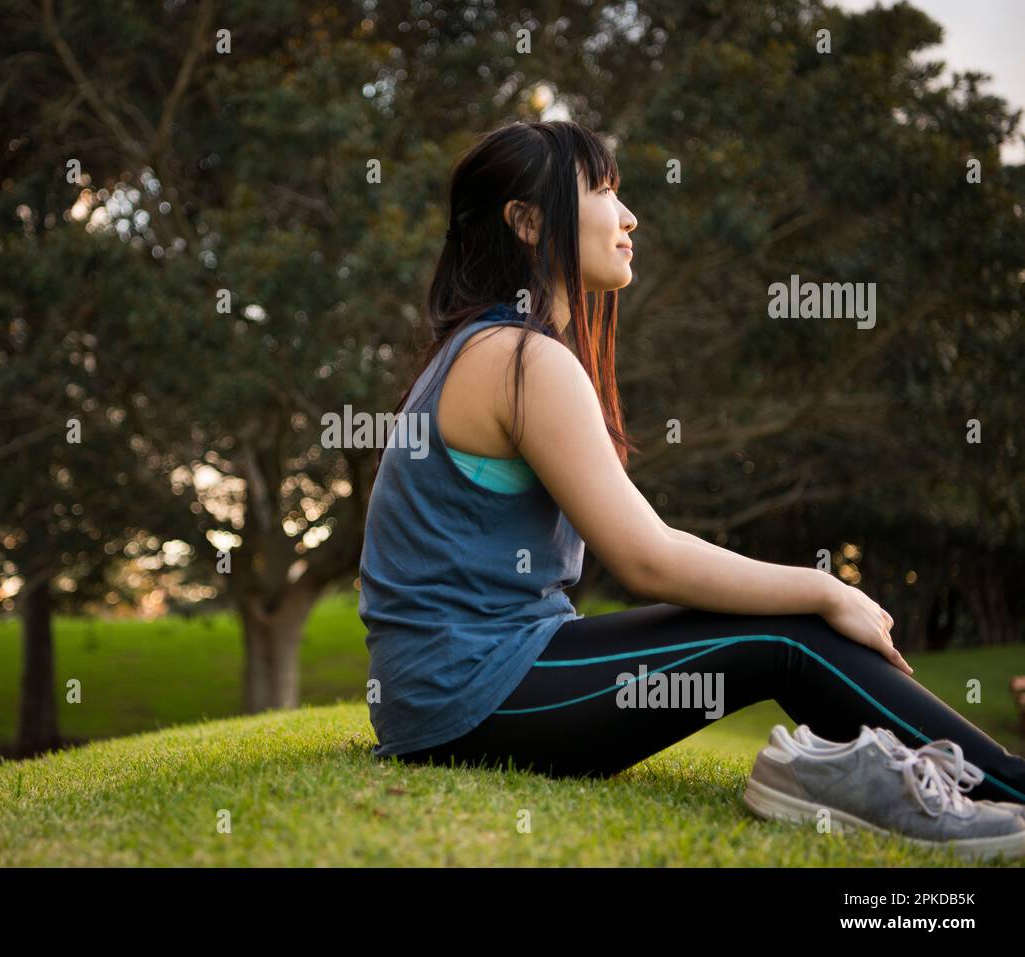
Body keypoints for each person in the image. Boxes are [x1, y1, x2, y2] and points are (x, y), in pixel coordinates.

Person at [356, 120, 1025, 846]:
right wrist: (828, 587)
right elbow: (647, 559)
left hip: (455, 688)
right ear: (527, 221)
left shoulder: (484, 348)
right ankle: (1006, 785)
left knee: (785, 620)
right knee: (791, 629)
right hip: (467, 697)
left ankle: (940, 777)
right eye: (603, 191)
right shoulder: (517, 359)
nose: (628, 215)